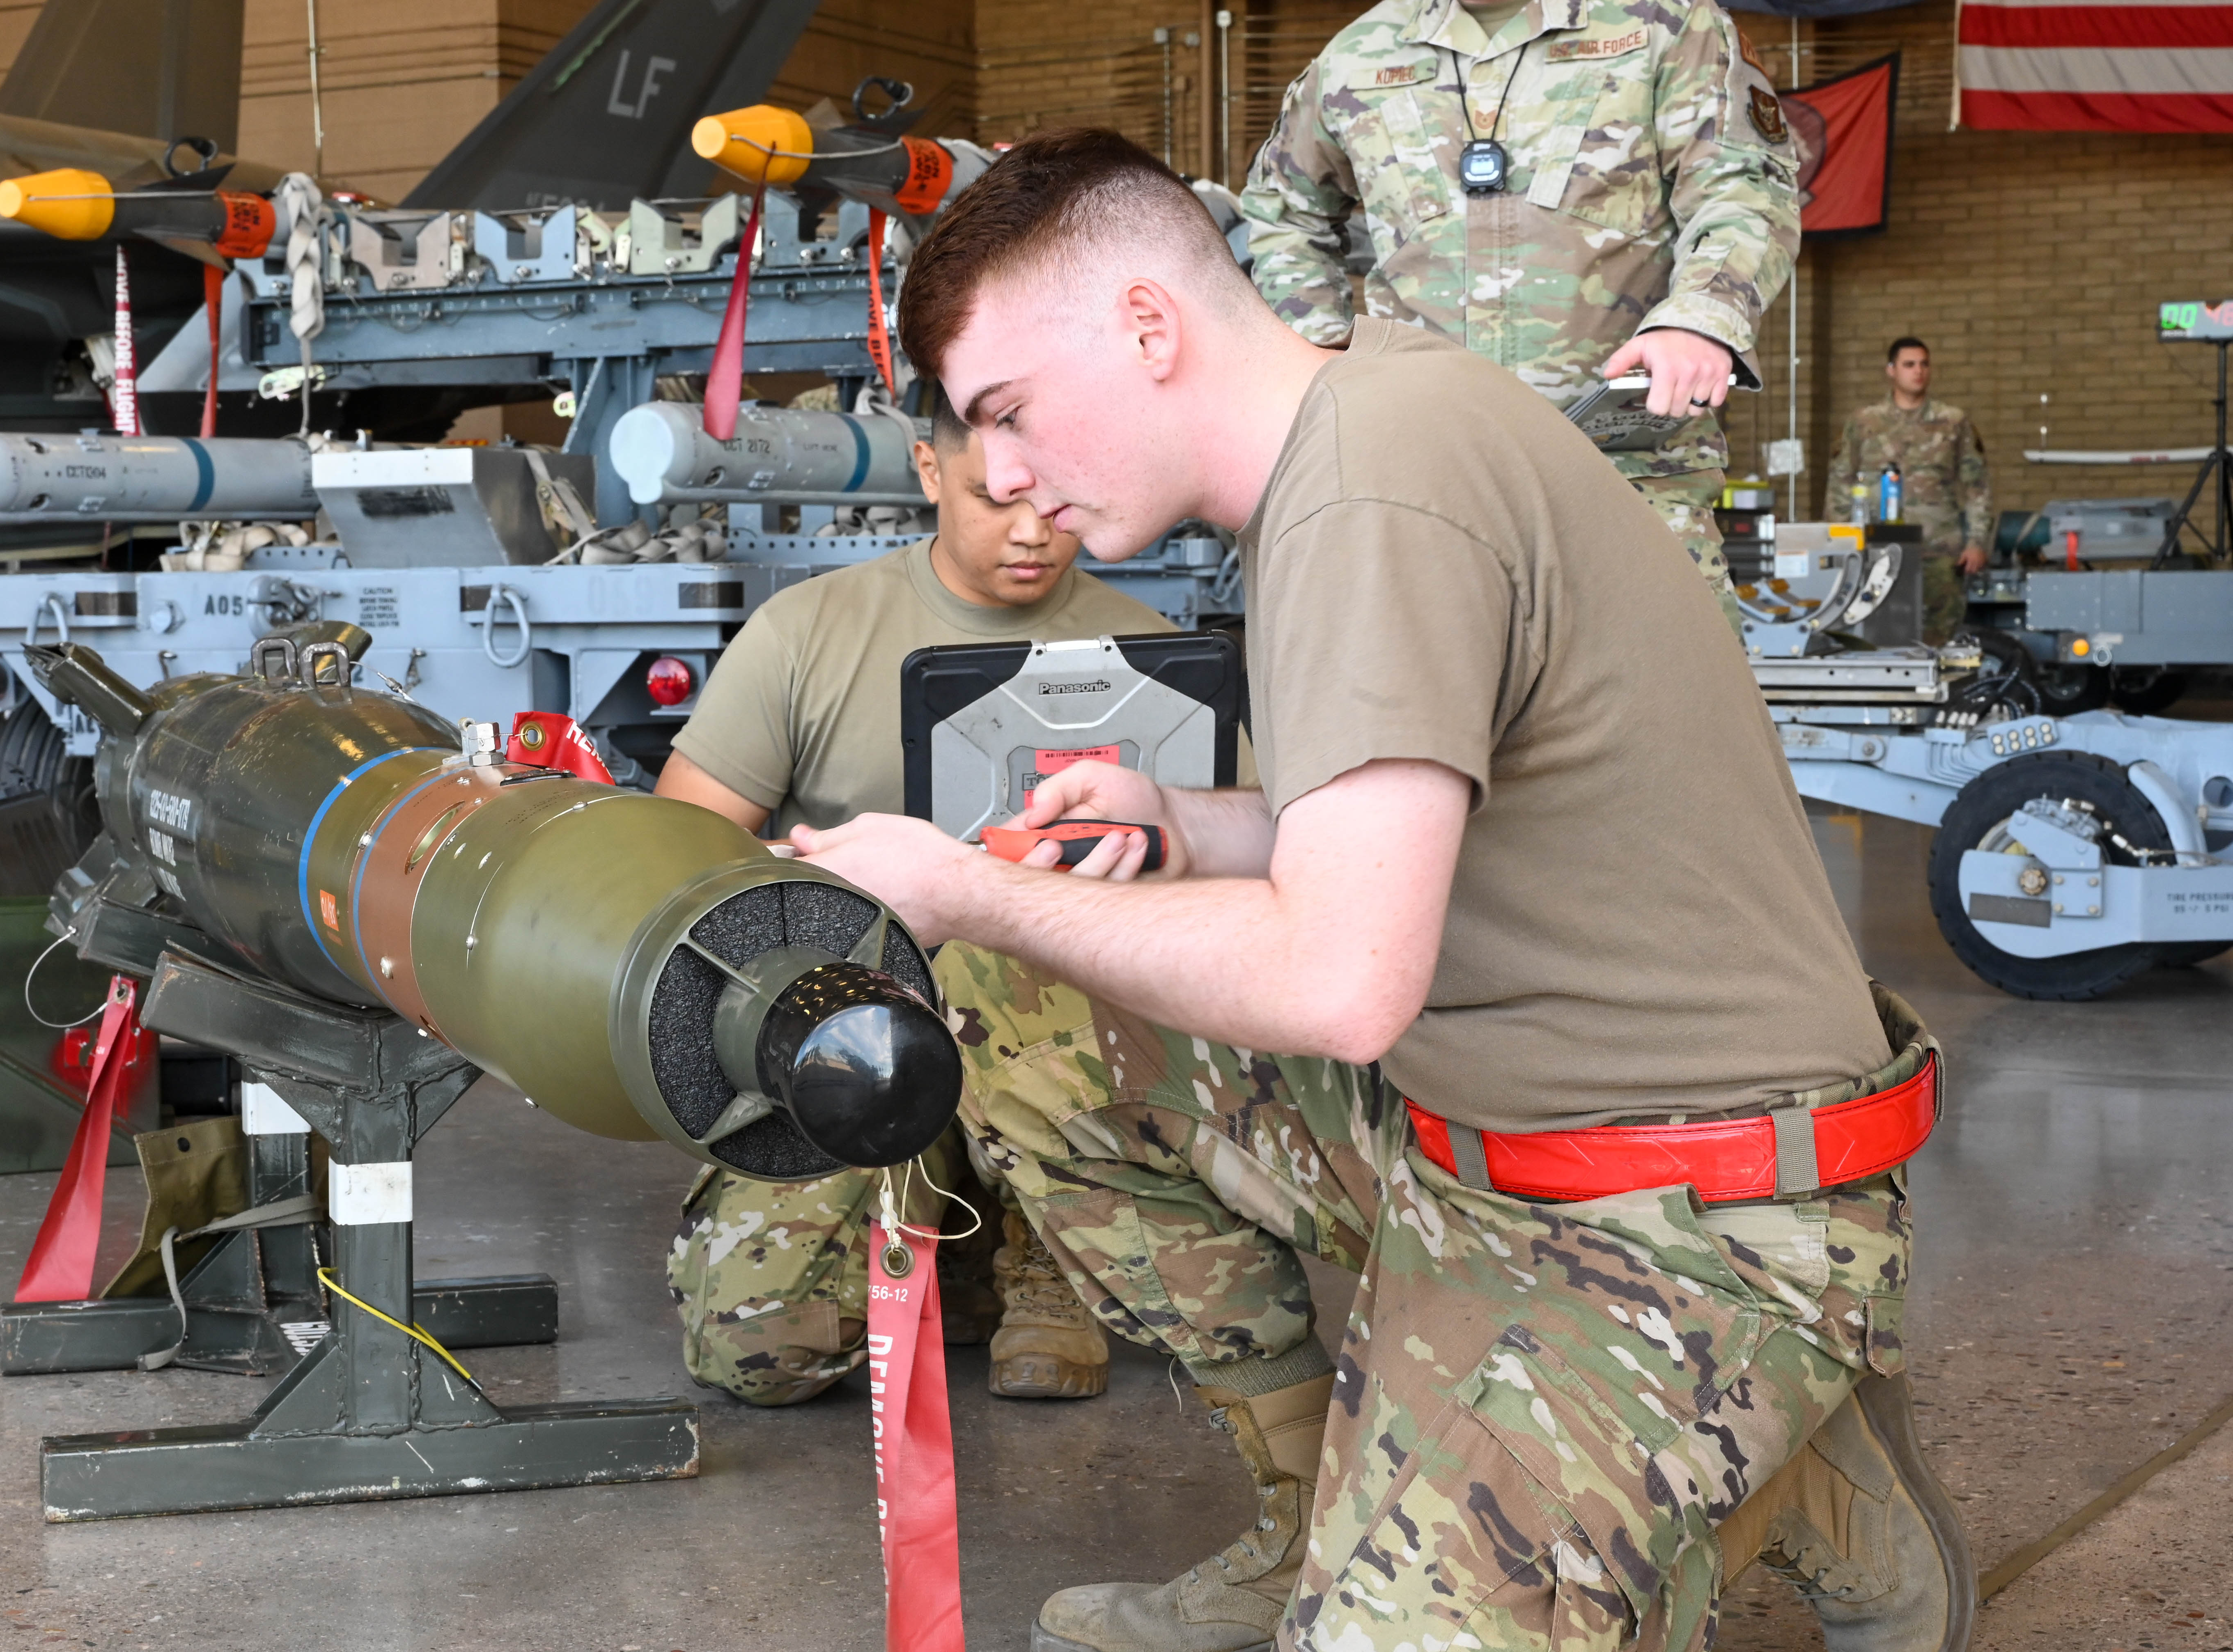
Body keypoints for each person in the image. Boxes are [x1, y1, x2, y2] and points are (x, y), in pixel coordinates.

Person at [793, 129, 1972, 1652]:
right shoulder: (1366, 424)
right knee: (1022, 1017)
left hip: (1698, 1206)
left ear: (1146, 327)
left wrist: (961, 884)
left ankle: (1760, 1438)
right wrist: (1183, 819)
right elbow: (1411, 814)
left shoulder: (1369, 492)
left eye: (1004, 409)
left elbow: (1336, 978)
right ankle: (1322, 1514)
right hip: (1488, 1133)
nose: (998, 474)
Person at [655, 400, 1178, 1407]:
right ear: (931, 471)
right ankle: (954, 1228)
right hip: (857, 1040)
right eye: (997, 497)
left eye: (1060, 501)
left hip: (1076, 1054)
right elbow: (687, 861)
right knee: (764, 1346)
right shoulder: (811, 634)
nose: (1032, 532)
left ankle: (1041, 1245)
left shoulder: (1150, 658)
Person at [1239, 0, 1801, 603]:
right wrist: (1324, 359)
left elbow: (1744, 187)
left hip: (1625, 481)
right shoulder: (1359, 54)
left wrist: (1701, 319)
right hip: (1414, 484)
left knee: (1669, 692)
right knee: (1418, 694)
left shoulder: (1664, 26)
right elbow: (1282, 212)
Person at [1825, 337, 1993, 644]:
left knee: (1940, 638)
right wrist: (1838, 541)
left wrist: (1977, 542)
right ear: (1891, 370)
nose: (1919, 371)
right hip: (1875, 549)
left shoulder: (1952, 422)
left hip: (1939, 549)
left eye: (1924, 364)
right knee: (1874, 635)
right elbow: (1841, 483)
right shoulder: (1865, 423)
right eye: (1909, 365)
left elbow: (1976, 486)